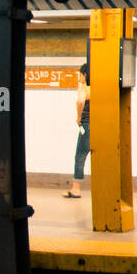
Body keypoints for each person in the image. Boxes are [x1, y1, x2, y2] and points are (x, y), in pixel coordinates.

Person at [63, 62, 90, 199]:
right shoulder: (100, 86)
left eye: (80, 74)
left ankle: (76, 189)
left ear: (85, 74)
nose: (79, 77)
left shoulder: (84, 86)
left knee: (80, 156)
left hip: (87, 125)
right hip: (101, 125)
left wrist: (79, 117)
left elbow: (80, 101)